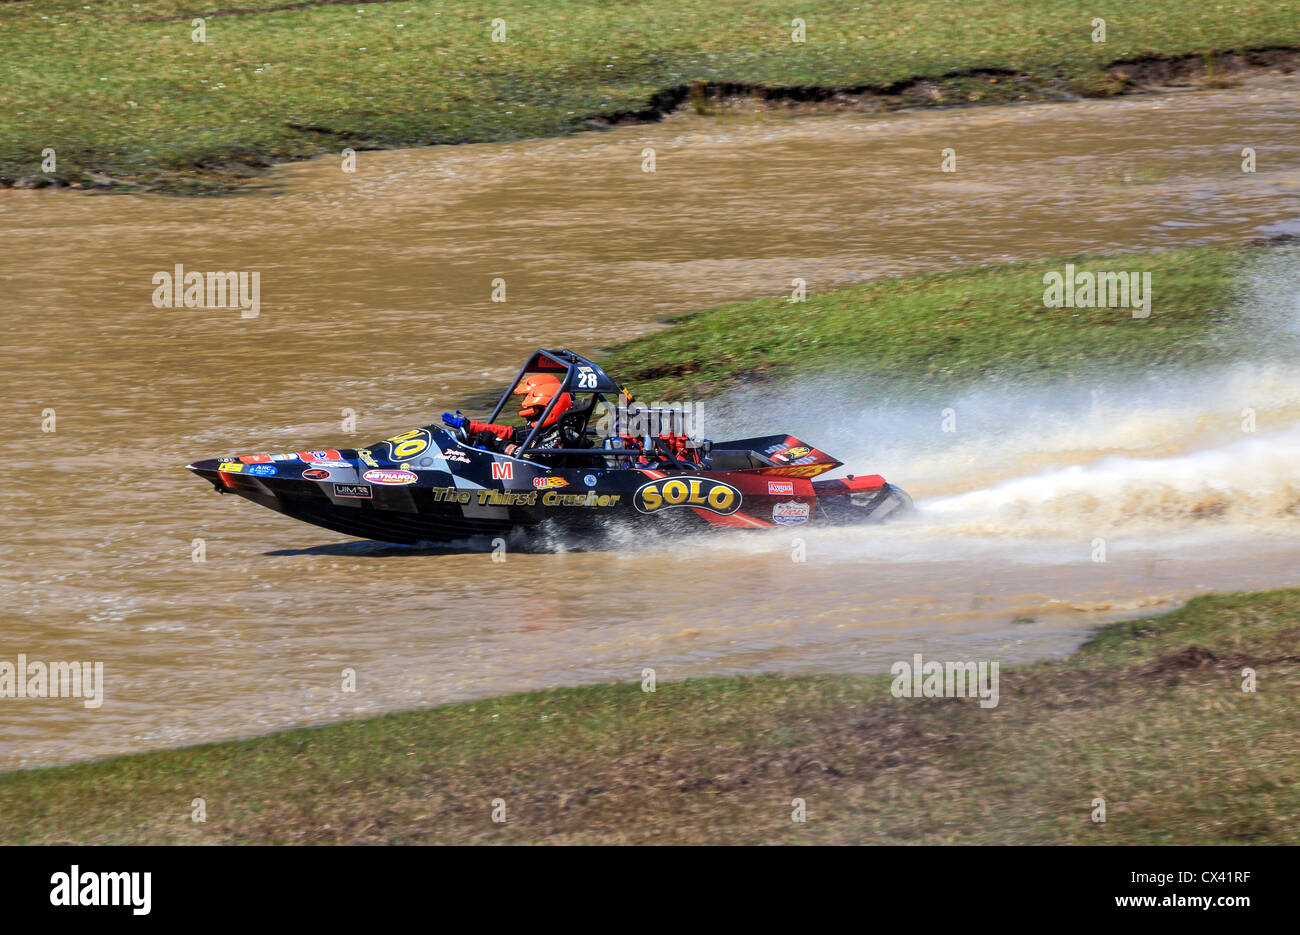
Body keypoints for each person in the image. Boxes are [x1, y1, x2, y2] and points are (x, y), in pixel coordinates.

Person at [441, 373, 576, 455]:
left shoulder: (564, 436)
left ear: (547, 408)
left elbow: (530, 459)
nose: (525, 405)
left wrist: (497, 443)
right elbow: (510, 433)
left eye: (533, 406)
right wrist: (470, 427)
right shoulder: (544, 429)